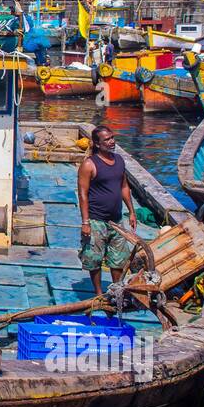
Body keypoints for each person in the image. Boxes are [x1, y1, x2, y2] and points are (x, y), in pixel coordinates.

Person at [76, 125, 136, 295]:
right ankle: (99, 293)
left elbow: (124, 186)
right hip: (96, 220)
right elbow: (83, 194)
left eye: (112, 138)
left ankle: (116, 291)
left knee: (118, 259)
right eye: (107, 139)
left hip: (116, 220)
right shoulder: (89, 165)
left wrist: (131, 211)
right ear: (97, 143)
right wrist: (85, 222)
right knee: (93, 258)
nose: (112, 142)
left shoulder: (119, 160)